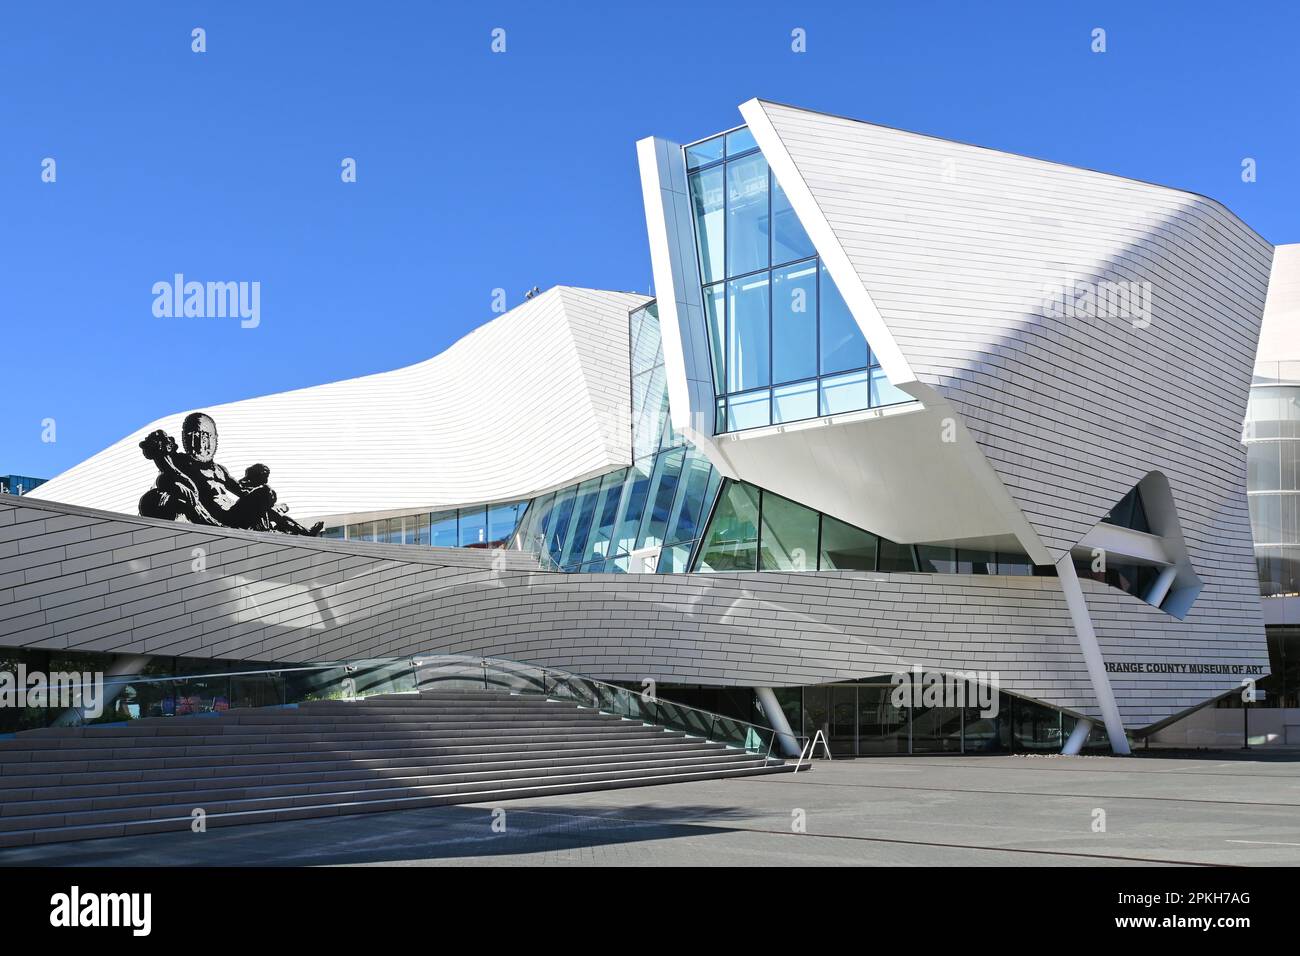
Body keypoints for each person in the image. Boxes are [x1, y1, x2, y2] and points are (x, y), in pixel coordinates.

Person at [138, 412, 322, 535]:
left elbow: (243, 492)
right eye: (197, 437)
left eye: (209, 437)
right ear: (186, 440)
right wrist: (158, 451)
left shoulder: (220, 470)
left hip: (235, 516)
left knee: (267, 495)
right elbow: (168, 468)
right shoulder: (181, 462)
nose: (203, 444)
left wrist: (256, 484)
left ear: (216, 440)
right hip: (211, 519)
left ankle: (301, 532)